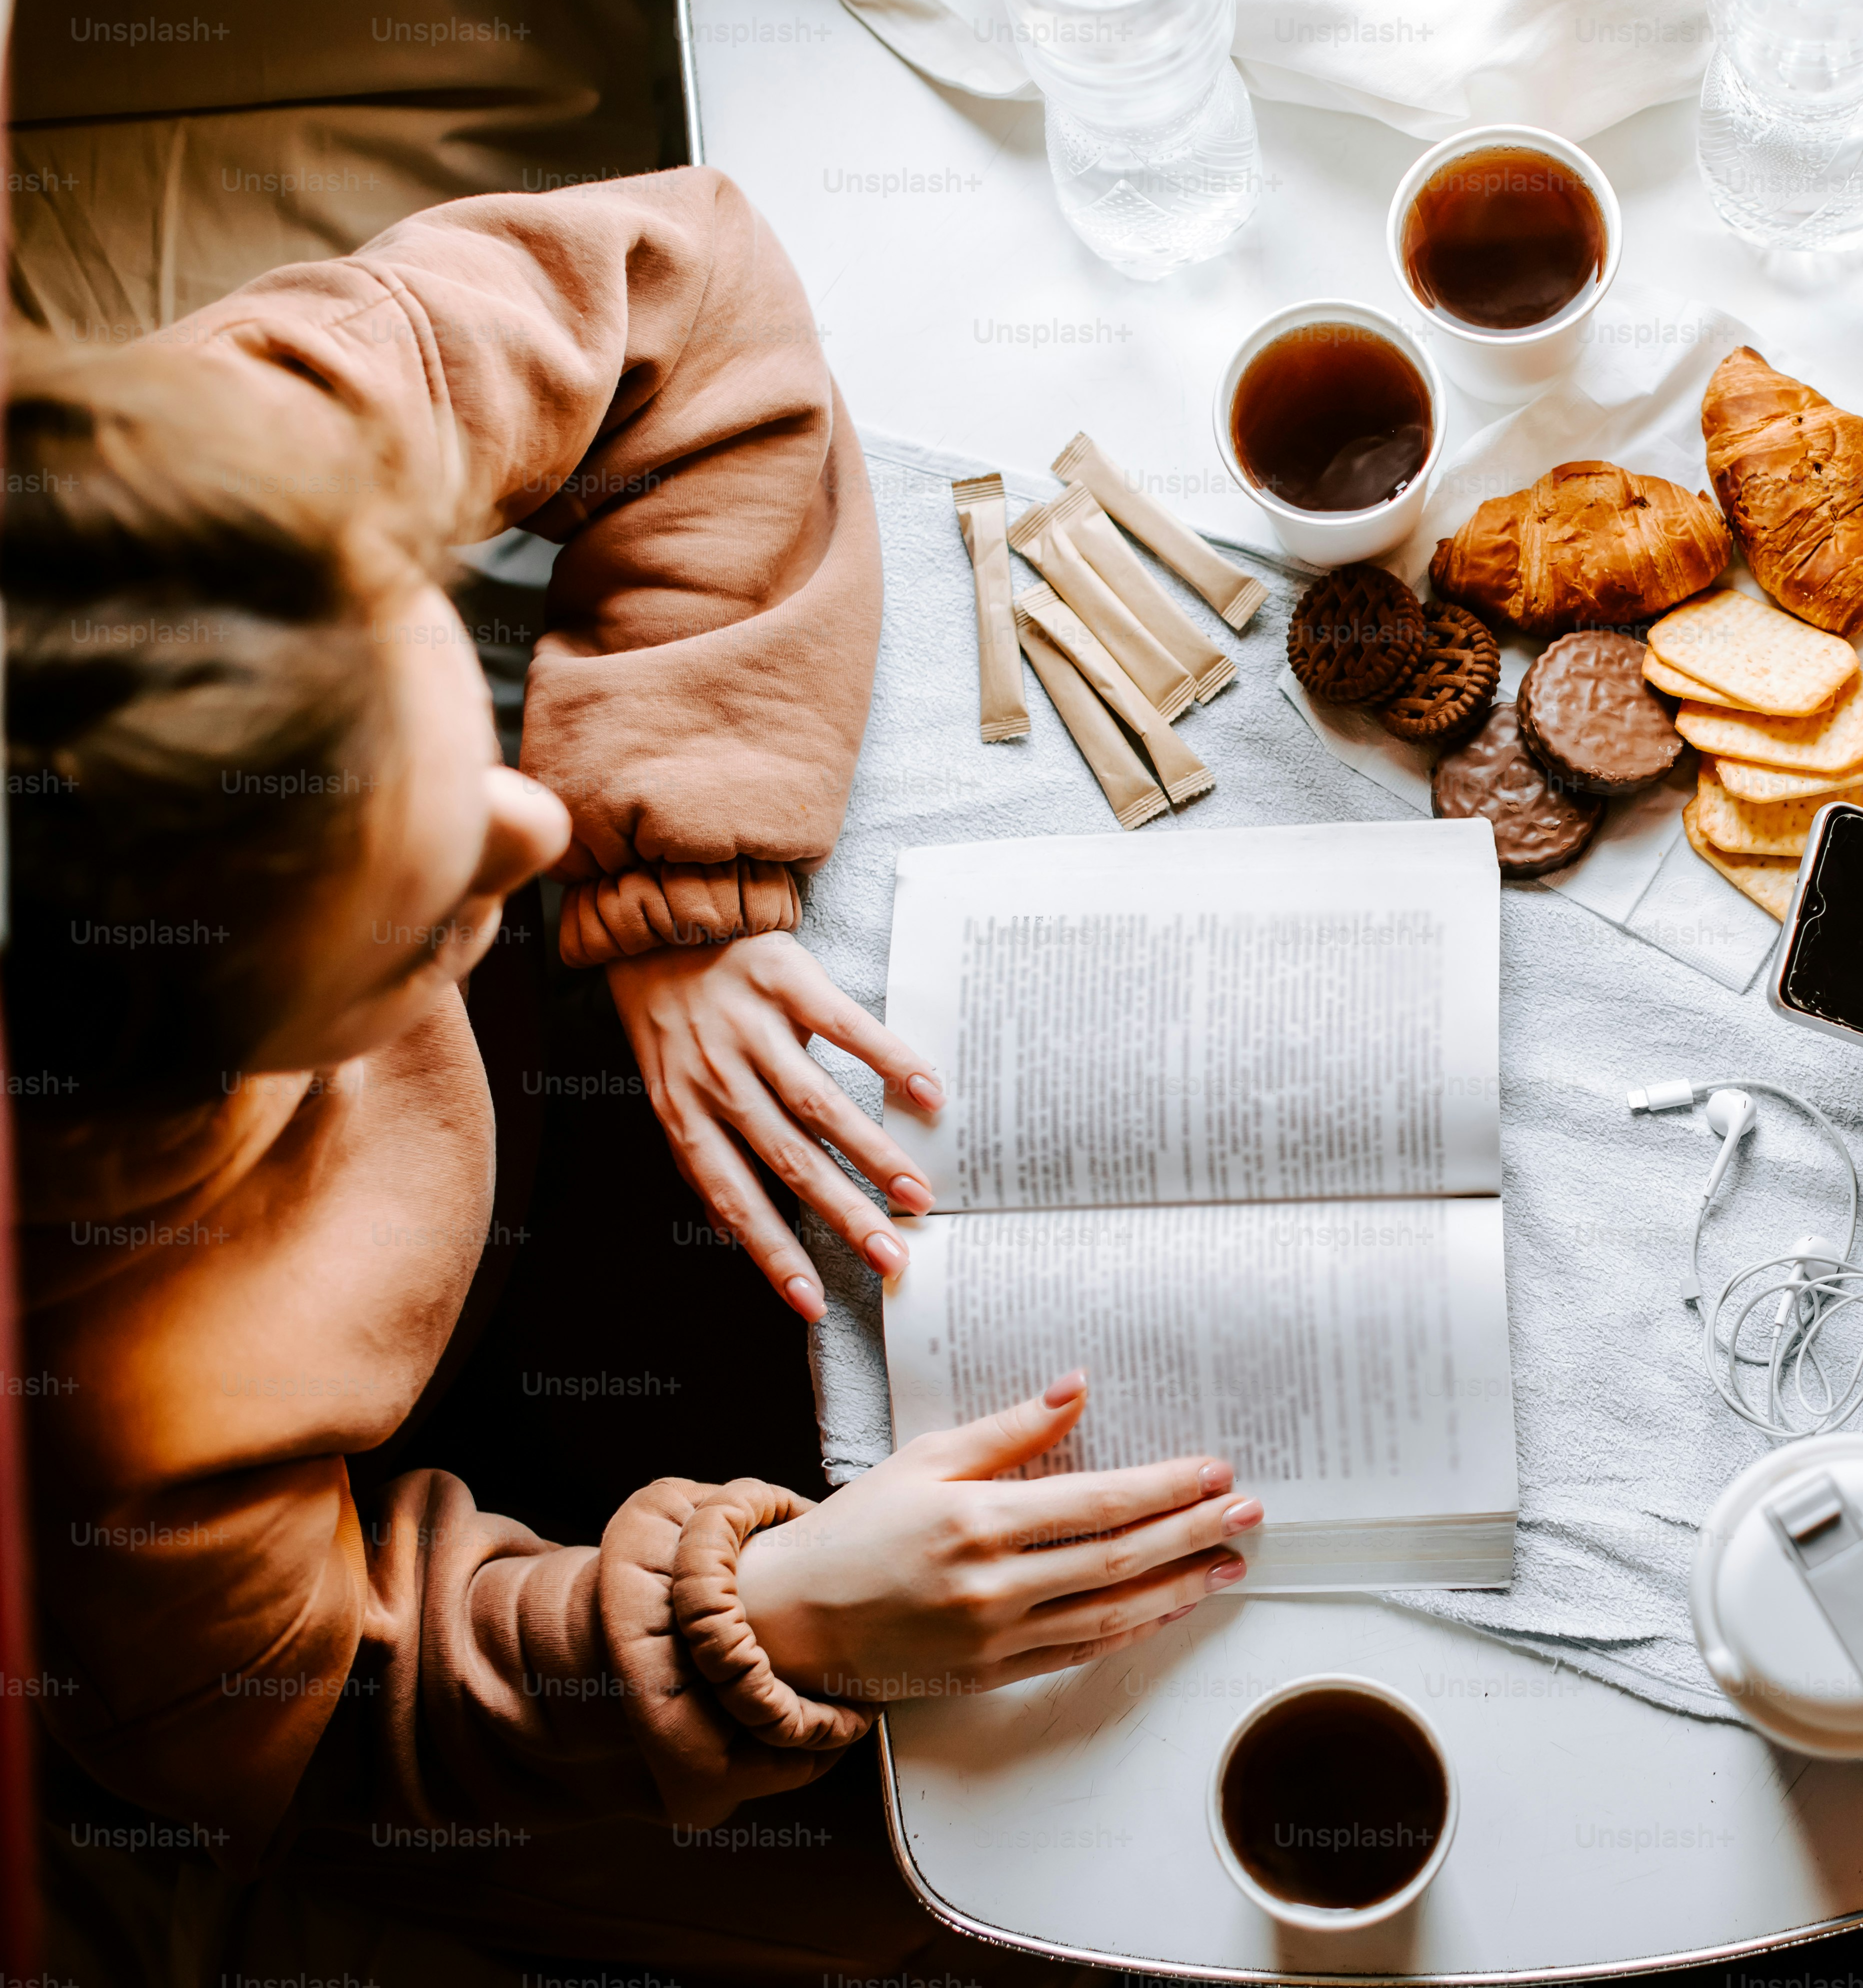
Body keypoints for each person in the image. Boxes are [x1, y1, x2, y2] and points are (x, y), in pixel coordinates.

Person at [4, 172, 1255, 1978]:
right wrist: (772, 1626)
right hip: (485, 1474)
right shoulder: (98, 1415)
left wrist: (673, 879)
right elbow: (314, 1731)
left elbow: (682, 283)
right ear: (206, 1082)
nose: (535, 829)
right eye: (425, 917)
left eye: (446, 712)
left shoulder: (199, 495)